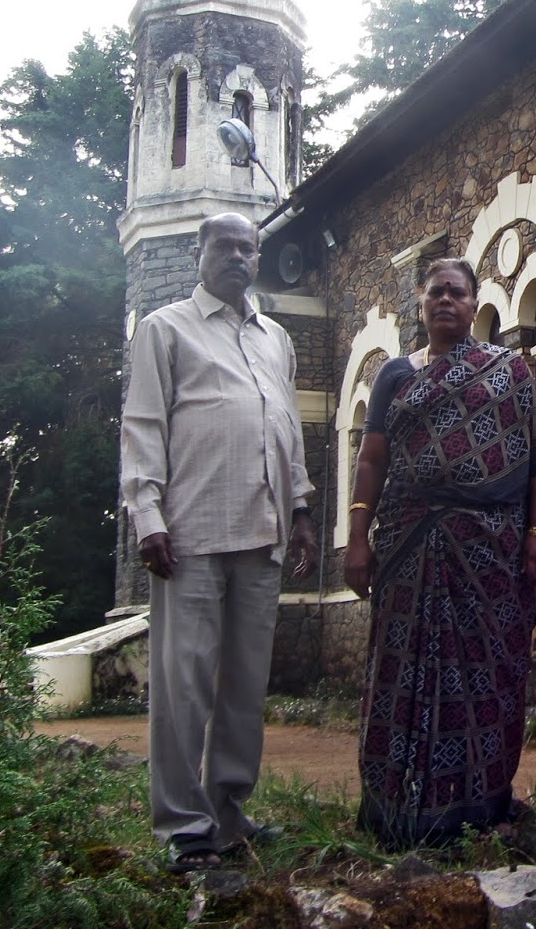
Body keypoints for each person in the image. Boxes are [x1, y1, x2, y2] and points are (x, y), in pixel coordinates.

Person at [120, 212, 319, 872]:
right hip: (191, 532)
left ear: (258, 258)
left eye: (248, 248)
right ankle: (183, 826)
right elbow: (143, 425)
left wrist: (301, 508)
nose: (238, 256)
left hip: (264, 530)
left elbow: (286, 427)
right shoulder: (165, 329)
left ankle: (228, 812)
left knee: (244, 684)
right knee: (184, 682)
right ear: (199, 254)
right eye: (225, 246)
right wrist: (147, 515)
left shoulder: (275, 338)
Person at [344, 257, 536, 848]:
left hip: (489, 549)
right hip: (408, 543)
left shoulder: (509, 371)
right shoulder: (394, 376)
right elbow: (371, 461)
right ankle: (395, 806)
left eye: (456, 293)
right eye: (436, 292)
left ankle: (481, 801)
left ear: (473, 303)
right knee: (399, 667)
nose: (445, 301)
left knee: (488, 669)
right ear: (420, 302)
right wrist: (357, 537)